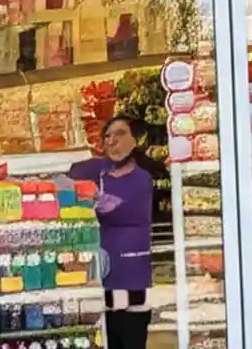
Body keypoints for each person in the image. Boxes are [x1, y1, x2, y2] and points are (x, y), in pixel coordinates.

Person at [68, 116, 162, 349]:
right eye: (108, 136)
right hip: (104, 264)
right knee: (109, 324)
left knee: (131, 324)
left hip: (131, 262)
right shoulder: (97, 169)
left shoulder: (142, 177)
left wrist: (97, 198)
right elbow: (65, 180)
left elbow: (123, 209)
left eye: (119, 135)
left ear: (134, 140)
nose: (112, 141)